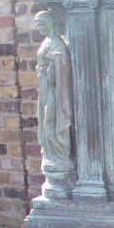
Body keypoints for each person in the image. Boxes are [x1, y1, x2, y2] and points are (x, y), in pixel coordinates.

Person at [33, 11, 74, 177]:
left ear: (50, 23)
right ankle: (51, 154)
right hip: (45, 86)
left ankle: (61, 154)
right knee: (44, 118)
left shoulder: (57, 42)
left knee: (51, 117)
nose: (39, 28)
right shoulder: (46, 41)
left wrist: (52, 58)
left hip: (54, 89)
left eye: (42, 24)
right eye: (37, 25)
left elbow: (62, 60)